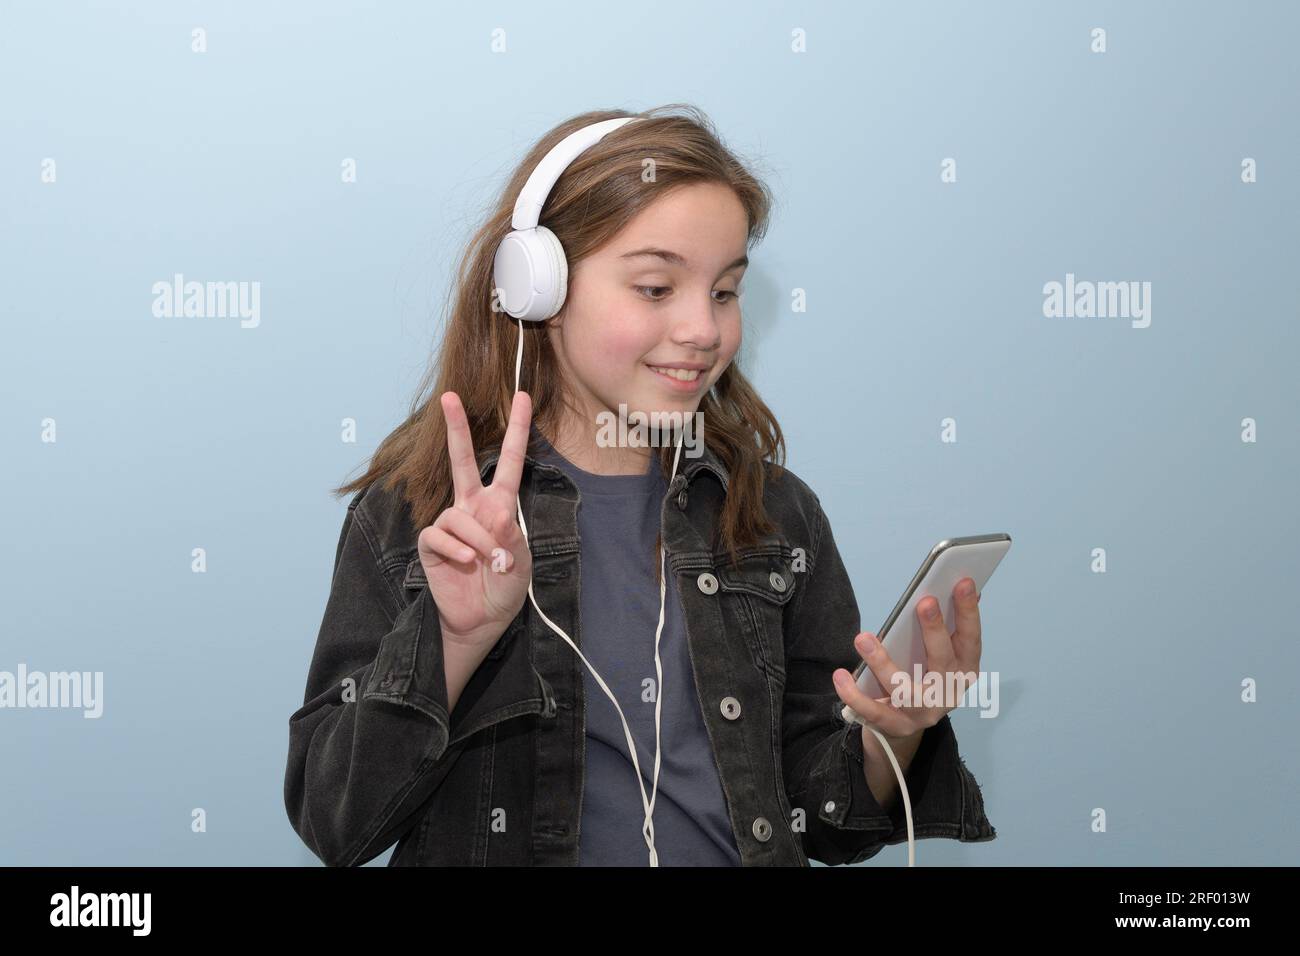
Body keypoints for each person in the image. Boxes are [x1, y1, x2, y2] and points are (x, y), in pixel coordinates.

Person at [283, 103, 996, 867]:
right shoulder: (420, 512)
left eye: (724, 291)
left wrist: (896, 735)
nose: (703, 329)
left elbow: (825, 823)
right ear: (538, 289)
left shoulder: (775, 516)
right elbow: (336, 821)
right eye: (657, 288)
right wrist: (452, 643)